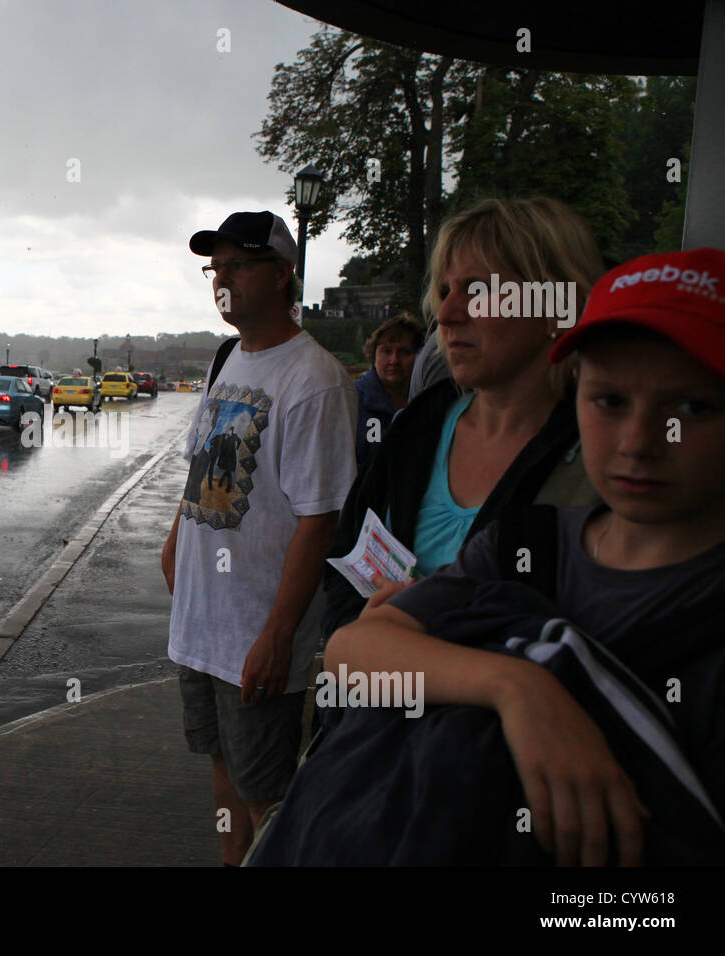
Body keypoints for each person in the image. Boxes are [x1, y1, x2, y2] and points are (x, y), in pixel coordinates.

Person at [250, 248, 725, 865]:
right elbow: (349, 655)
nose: (639, 442)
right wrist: (520, 688)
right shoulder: (528, 540)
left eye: (692, 407)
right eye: (610, 401)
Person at [161, 211, 357, 865]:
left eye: (238, 266)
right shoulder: (228, 358)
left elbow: (319, 518)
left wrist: (278, 633)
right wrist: (173, 543)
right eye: (215, 269)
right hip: (203, 623)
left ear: (281, 275)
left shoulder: (314, 379)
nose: (222, 280)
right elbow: (201, 465)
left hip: (255, 630)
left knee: (268, 792)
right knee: (223, 770)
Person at [322, 197, 606, 640]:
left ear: (555, 303)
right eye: (446, 292)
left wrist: (425, 642)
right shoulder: (420, 422)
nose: (447, 316)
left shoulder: (604, 458)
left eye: (477, 291)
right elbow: (345, 558)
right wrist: (363, 651)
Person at [353, 312, 425, 472]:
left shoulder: (428, 403)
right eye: (386, 351)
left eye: (404, 352)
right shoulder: (352, 399)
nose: (394, 360)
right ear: (373, 355)